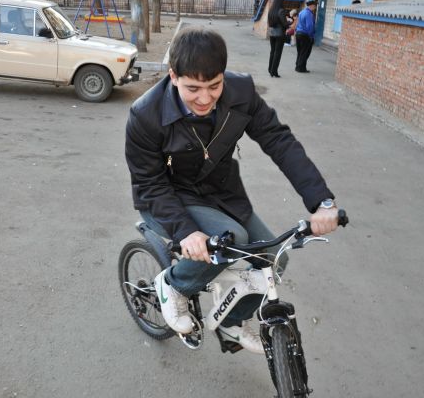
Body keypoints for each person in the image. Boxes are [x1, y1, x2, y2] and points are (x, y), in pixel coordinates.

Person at [125, 27, 339, 354]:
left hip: (220, 193)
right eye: (193, 88)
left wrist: (321, 200)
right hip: (166, 198)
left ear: (223, 76)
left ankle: (232, 320)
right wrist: (186, 231)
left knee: (272, 259)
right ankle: (173, 285)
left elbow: (279, 141)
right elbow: (150, 183)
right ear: (173, 76)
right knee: (231, 239)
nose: (205, 98)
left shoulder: (241, 93)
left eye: (214, 86)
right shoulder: (145, 115)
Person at [267, 0, 288, 77]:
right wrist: (289, 23)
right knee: (277, 53)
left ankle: (270, 69)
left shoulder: (271, 10)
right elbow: (285, 24)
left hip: (272, 33)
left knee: (272, 51)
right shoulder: (281, 11)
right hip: (280, 34)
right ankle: (274, 71)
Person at [295, 0, 317, 73]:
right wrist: (311, 36)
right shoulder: (309, 14)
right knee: (305, 52)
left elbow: (297, 23)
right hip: (305, 35)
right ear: (311, 6)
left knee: (300, 52)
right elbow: (310, 26)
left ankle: (298, 66)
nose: (315, 8)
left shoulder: (301, 12)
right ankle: (301, 68)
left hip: (298, 34)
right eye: (314, 6)